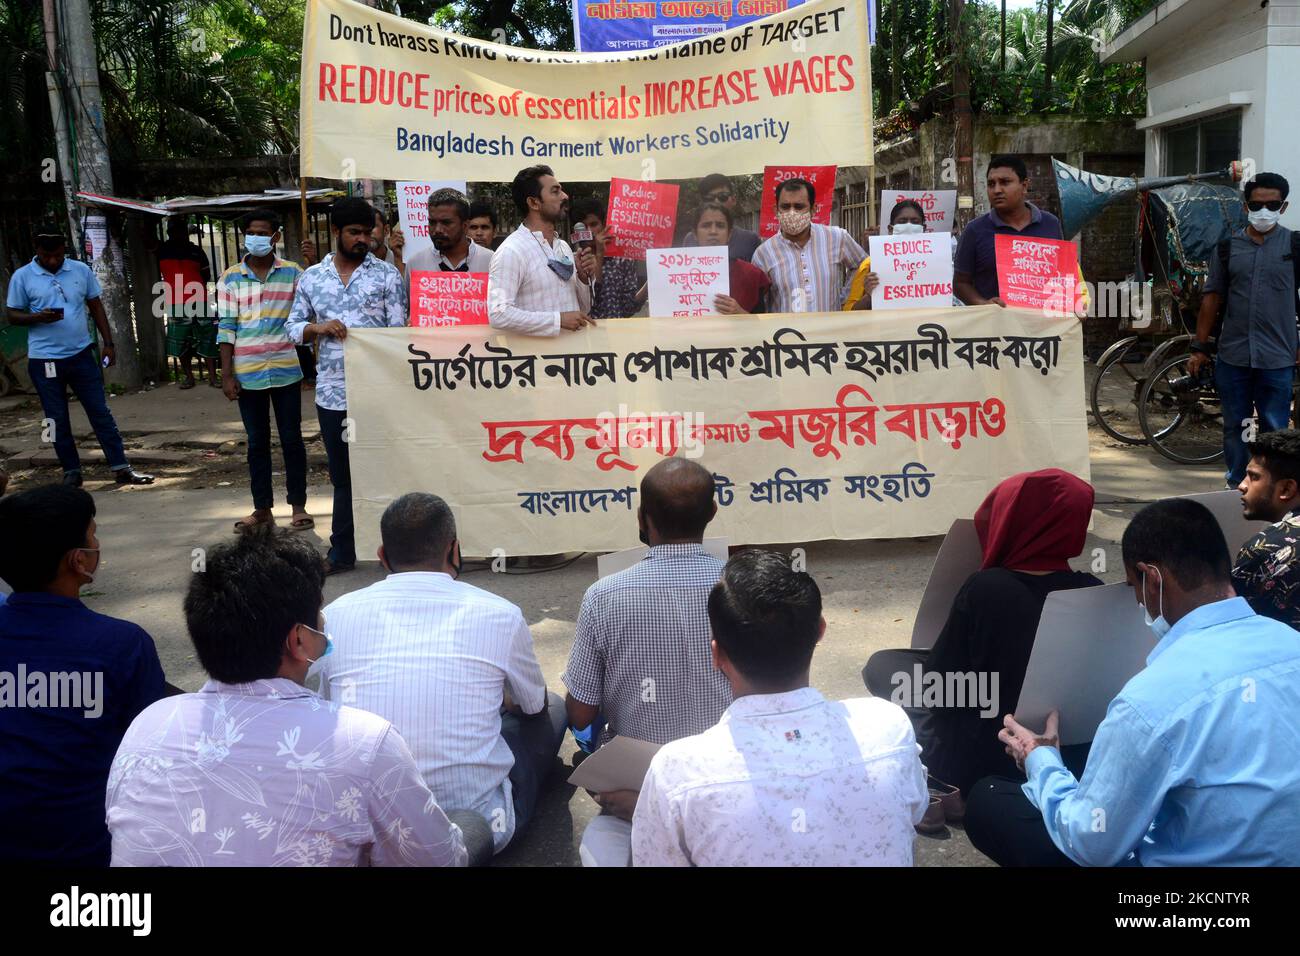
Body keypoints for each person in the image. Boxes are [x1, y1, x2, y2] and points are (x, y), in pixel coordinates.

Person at [966, 498, 1300, 867]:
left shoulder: (1150, 700)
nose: (1139, 599)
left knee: (991, 800)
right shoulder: (1291, 642)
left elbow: (1093, 844)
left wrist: (1040, 761)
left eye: (1132, 586)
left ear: (1152, 578)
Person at [106, 533, 467, 867]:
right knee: (469, 823)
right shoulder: (363, 742)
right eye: (318, 614)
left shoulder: (149, 724)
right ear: (299, 640)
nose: (323, 622)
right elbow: (438, 859)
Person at [631, 550, 929, 866]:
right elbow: (915, 809)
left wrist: (655, 807)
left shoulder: (678, 772)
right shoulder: (888, 726)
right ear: (820, 631)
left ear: (716, 654)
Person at [313, 493, 564, 865]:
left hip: (365, 825)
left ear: (383, 556)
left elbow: (323, 709)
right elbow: (531, 705)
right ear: (454, 550)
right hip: (475, 819)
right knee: (552, 709)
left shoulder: (334, 615)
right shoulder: (500, 613)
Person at [861, 469, 1100, 802]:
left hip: (983, 752)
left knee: (883, 668)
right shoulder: (1092, 590)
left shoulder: (987, 587)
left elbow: (938, 687)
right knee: (893, 662)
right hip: (1062, 749)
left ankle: (932, 768)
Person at [563, 458, 732, 866]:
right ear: (712, 512)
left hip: (637, 787)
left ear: (642, 517)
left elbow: (580, 714)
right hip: (726, 781)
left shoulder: (604, 597)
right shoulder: (739, 588)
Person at [0, 485, 167, 866]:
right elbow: (152, 756)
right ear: (78, 561)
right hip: (88, 849)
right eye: (93, 533)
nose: (98, 542)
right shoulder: (122, 644)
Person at [287, 197, 406, 575]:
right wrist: (318, 328)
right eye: (354, 233)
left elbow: (399, 333)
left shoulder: (386, 275)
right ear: (335, 232)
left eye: (368, 233)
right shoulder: (311, 278)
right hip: (333, 394)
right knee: (342, 477)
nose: (363, 240)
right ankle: (342, 553)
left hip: (378, 392)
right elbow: (291, 328)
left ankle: (397, 553)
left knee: (385, 471)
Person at [4, 224, 154, 486]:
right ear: (37, 251)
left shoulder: (80, 270)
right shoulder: (22, 276)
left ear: (64, 251)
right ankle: (71, 471)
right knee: (55, 418)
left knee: (100, 412)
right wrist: (36, 317)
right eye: (47, 256)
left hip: (81, 355)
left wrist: (109, 343)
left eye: (58, 256)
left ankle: (121, 467)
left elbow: (95, 305)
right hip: (45, 360)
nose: (53, 261)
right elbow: (12, 314)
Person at [1187, 172, 1298, 487]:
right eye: (1256, 204)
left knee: (1275, 427)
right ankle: (1237, 484)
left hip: (1278, 357)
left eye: (1272, 204)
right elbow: (1212, 298)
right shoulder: (1227, 248)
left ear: (1283, 206)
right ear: (1245, 206)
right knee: (1235, 425)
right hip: (1233, 355)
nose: (1264, 210)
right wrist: (1199, 347)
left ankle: (1274, 488)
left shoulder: (1294, 245)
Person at [216, 209, 311, 535]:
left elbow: (311, 306)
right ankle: (263, 509)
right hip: (248, 371)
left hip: (286, 369)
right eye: (251, 232)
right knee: (257, 442)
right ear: (245, 236)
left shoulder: (294, 273)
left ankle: (298, 507)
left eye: (263, 232)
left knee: (292, 440)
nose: (256, 237)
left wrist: (311, 266)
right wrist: (227, 375)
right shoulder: (230, 278)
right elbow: (226, 329)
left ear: (275, 237)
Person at [953, 155, 1082, 311]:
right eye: (991, 184)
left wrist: (1075, 303)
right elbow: (960, 283)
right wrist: (983, 304)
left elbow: (1065, 274)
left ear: (1025, 186)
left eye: (1005, 182)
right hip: (996, 329)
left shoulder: (1051, 224)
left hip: (1043, 327)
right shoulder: (974, 230)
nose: (997, 190)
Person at [487, 164, 597, 335]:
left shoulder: (564, 247)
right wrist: (557, 320)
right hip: (536, 359)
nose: (565, 196)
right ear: (533, 202)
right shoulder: (512, 250)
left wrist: (583, 278)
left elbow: (582, 310)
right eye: (555, 191)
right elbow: (499, 314)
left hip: (573, 357)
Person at [750, 177, 867, 314]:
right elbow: (757, 302)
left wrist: (846, 298)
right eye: (785, 207)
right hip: (786, 334)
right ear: (776, 210)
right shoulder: (764, 253)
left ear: (813, 209)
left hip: (831, 332)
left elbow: (863, 265)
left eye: (799, 207)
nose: (791, 212)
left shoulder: (836, 237)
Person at [1232, 428, 1300, 627]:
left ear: (1286, 489)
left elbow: (1231, 623)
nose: (1242, 486)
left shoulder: (1266, 549)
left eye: (1253, 477)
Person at [842, 199, 954, 310]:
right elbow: (848, 311)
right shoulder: (870, 264)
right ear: (891, 229)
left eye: (915, 221)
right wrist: (870, 296)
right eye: (902, 221)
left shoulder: (940, 261)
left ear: (923, 228)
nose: (909, 225)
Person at [155, 216, 217, 389]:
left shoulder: (197, 251)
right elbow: (147, 240)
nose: (179, 234)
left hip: (200, 300)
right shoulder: (162, 249)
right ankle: (189, 377)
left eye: (181, 230)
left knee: (207, 337)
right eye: (175, 230)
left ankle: (212, 377)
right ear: (169, 233)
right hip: (175, 302)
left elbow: (206, 275)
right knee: (180, 341)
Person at [572, 197, 645, 319]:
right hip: (585, 334)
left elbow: (629, 307)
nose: (590, 231)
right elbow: (588, 304)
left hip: (617, 333)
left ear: (603, 224)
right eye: (584, 226)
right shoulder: (574, 261)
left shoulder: (622, 259)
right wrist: (599, 256)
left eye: (594, 224)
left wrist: (652, 281)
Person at [691, 202, 770, 314]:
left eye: (720, 225)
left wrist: (740, 313)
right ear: (695, 234)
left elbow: (762, 325)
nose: (713, 231)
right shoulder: (674, 276)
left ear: (729, 234)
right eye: (706, 225)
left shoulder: (751, 275)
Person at [404, 187, 494, 280]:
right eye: (432, 222)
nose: (438, 229)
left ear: (465, 226)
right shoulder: (415, 264)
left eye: (446, 223)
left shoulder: (491, 261)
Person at [682, 173, 762, 262]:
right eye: (709, 198)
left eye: (722, 197)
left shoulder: (750, 240)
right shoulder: (690, 239)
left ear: (733, 200)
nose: (716, 201)